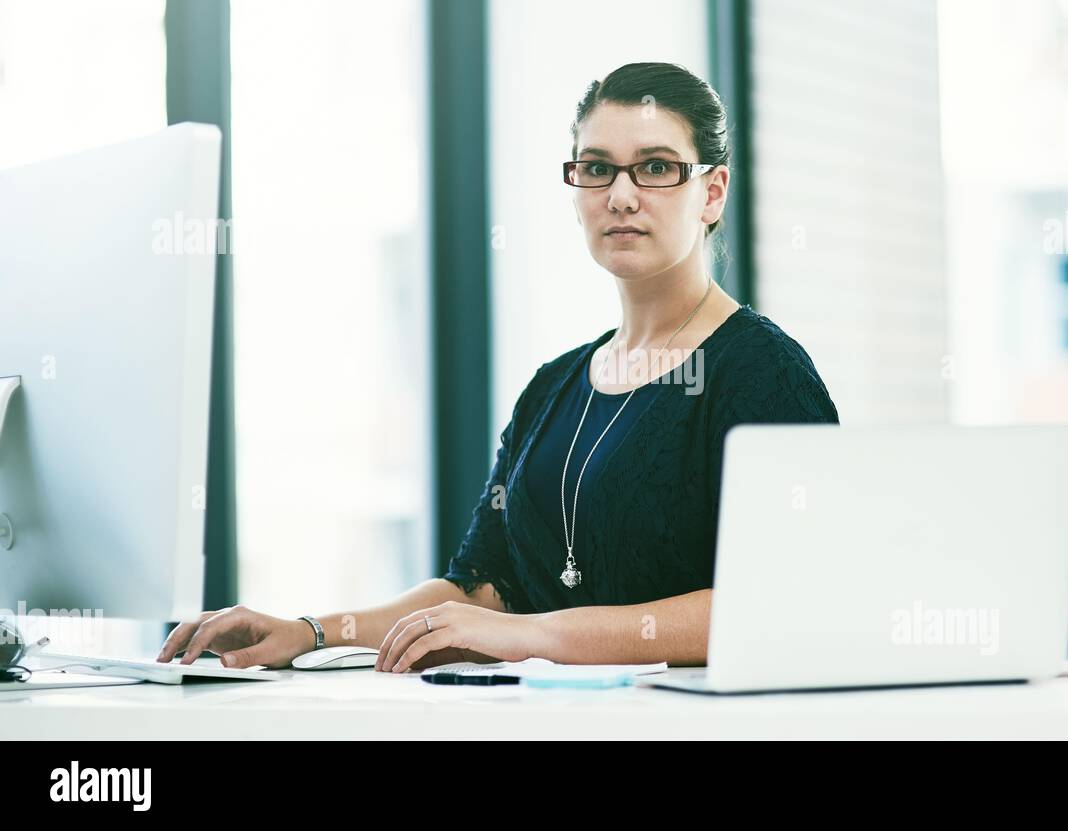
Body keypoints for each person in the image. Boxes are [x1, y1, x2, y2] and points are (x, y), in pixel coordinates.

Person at [157, 61, 839, 673]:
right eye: (597, 167)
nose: (621, 195)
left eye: (656, 167)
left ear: (713, 191)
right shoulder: (553, 386)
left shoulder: (762, 373)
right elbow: (478, 592)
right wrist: (312, 629)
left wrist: (532, 635)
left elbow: (782, 599)